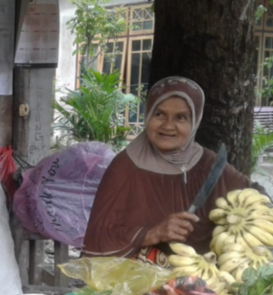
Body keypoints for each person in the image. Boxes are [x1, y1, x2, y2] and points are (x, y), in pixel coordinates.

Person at [83, 76, 252, 266]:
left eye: (181, 117)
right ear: (147, 115)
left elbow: (254, 197)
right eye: (159, 114)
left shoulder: (210, 164)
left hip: (206, 281)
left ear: (195, 121)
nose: (168, 126)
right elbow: (97, 239)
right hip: (136, 282)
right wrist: (153, 233)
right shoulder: (125, 167)